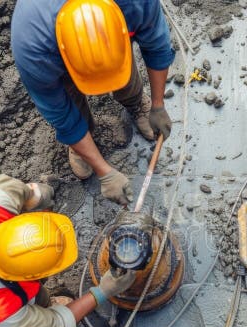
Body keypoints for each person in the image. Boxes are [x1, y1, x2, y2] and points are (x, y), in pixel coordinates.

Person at [0, 174, 136, 327]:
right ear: (32, 277)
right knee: (39, 304)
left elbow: (24, 191)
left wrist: (39, 194)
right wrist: (103, 291)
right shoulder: (1, 313)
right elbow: (58, 324)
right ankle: (45, 302)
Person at [11, 0, 175, 206]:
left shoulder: (136, 4)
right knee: (70, 96)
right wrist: (104, 172)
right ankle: (83, 139)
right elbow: (60, 114)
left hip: (115, 36)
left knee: (119, 67)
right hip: (54, 52)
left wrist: (158, 105)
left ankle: (135, 101)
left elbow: (157, 48)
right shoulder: (33, 45)